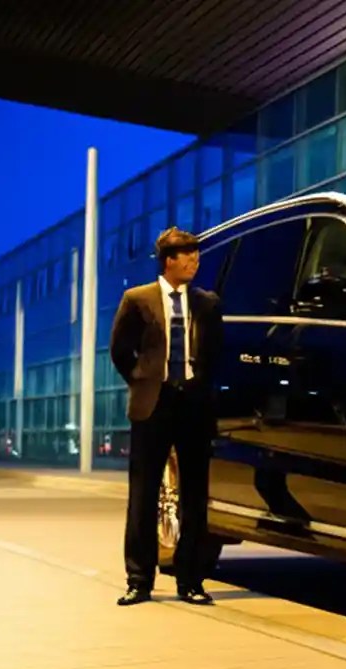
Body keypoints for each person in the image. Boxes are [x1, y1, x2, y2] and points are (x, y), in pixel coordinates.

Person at [109, 227, 223, 606]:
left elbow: (215, 355)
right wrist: (142, 381)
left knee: (194, 493)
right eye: (187, 255)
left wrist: (201, 387)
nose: (195, 261)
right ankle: (139, 580)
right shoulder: (137, 299)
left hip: (192, 403)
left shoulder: (207, 303)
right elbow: (120, 350)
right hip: (152, 405)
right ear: (168, 260)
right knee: (143, 494)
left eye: (196, 255)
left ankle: (190, 580)